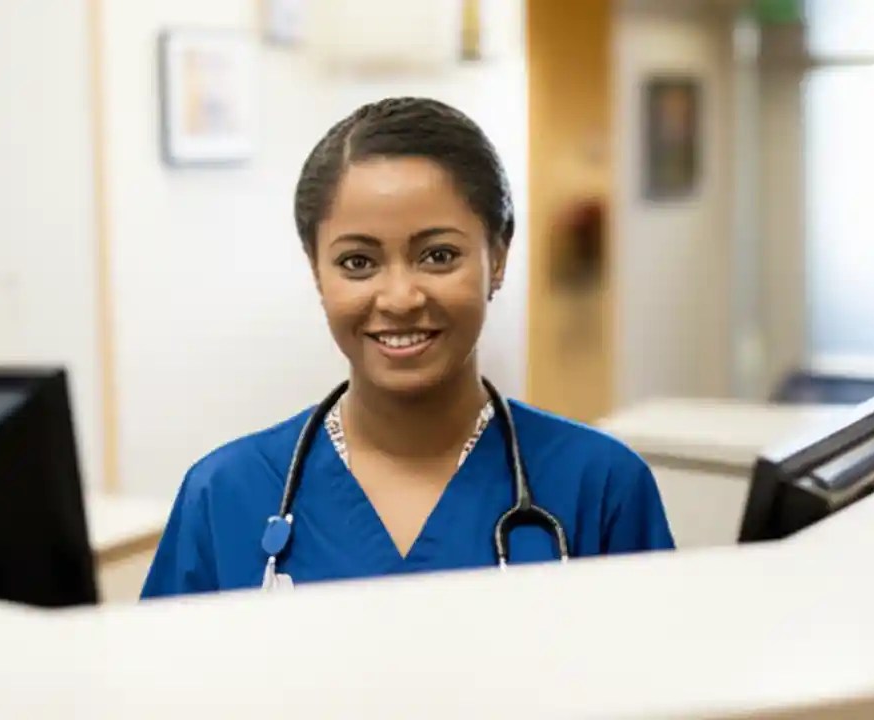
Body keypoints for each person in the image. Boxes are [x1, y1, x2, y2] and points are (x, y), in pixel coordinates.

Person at [142, 97, 674, 597]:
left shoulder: (600, 487)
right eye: (357, 262)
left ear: (498, 256)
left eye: (438, 256)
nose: (400, 298)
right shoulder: (225, 495)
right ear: (316, 271)